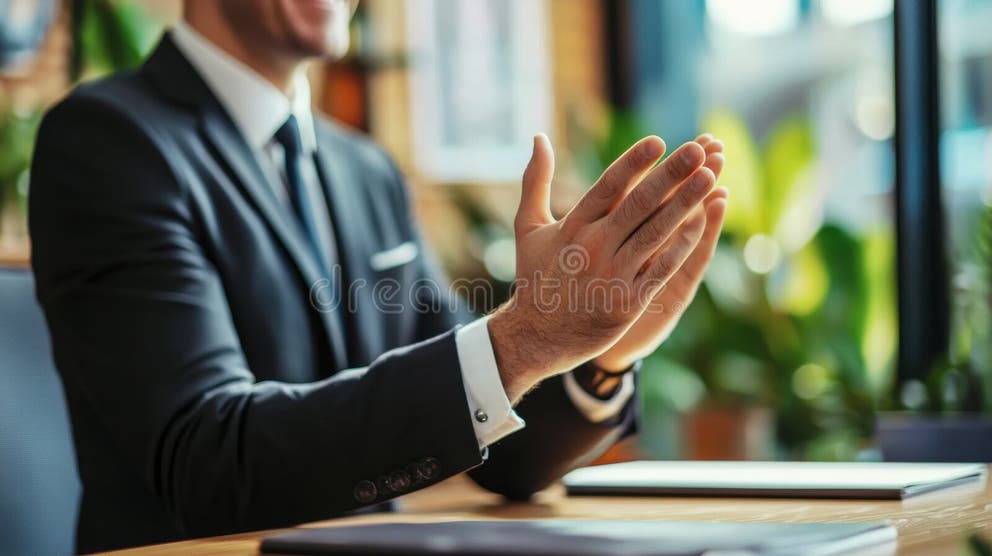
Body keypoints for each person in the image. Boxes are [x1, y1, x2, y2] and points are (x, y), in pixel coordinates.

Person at [28, 0, 727, 551]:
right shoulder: (108, 142)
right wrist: (525, 339)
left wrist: (601, 352)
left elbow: (494, 443)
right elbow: (208, 462)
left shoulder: (366, 171)